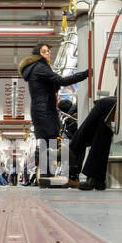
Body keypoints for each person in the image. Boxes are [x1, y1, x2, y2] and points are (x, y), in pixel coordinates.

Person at [18, 43, 89, 187]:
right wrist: (86, 74)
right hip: (44, 110)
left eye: (49, 51)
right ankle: (46, 176)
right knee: (49, 142)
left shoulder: (36, 68)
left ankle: (46, 176)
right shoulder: (40, 67)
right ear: (38, 55)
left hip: (41, 109)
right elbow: (61, 81)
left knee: (46, 143)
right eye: (45, 51)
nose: (48, 53)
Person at [69, 56, 120, 191]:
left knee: (103, 104)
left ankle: (74, 148)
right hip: (119, 111)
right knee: (101, 128)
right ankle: (96, 178)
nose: (115, 75)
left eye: (117, 71)